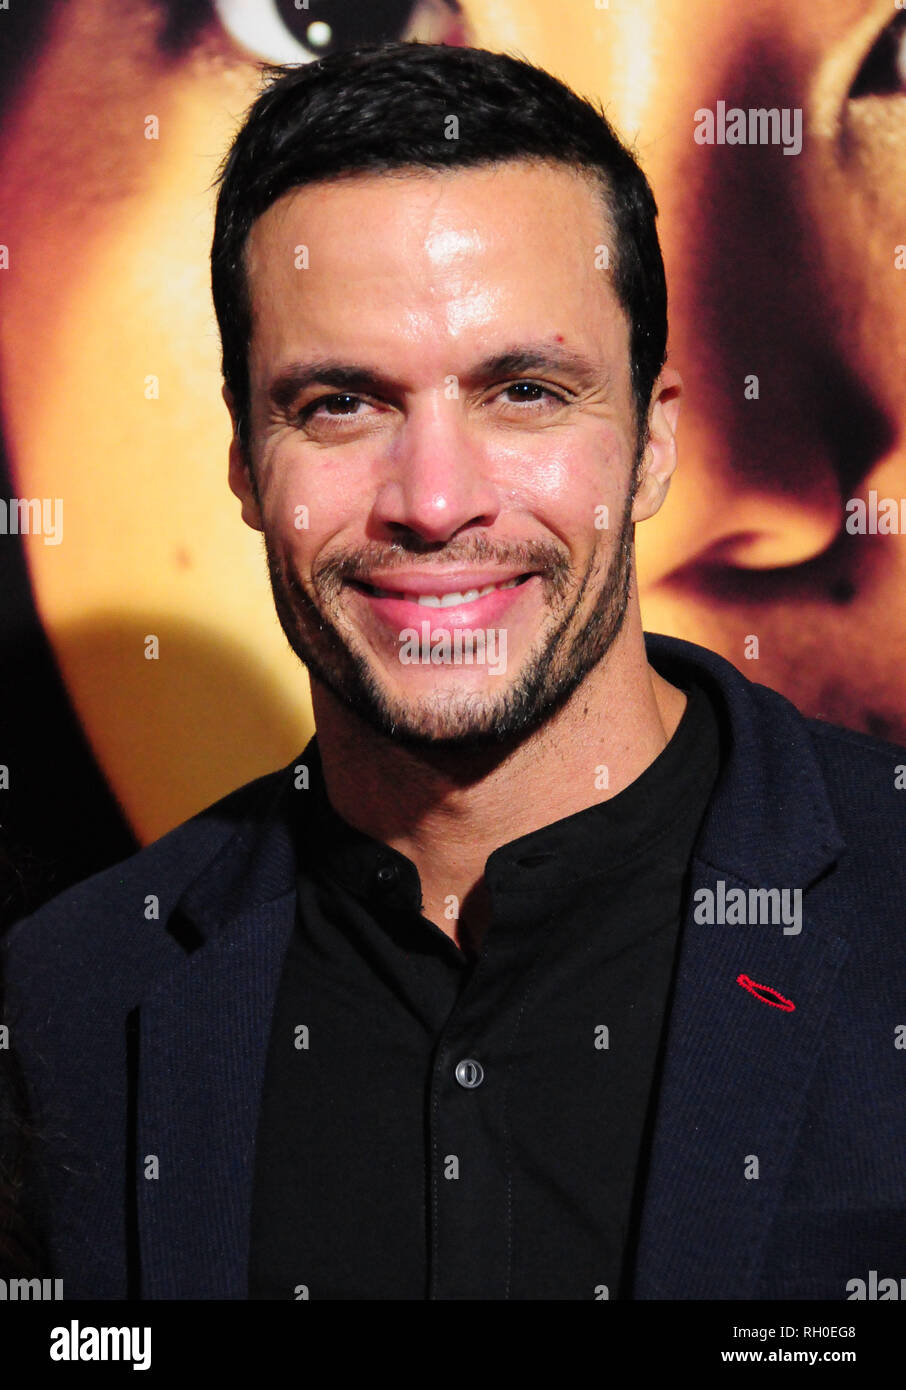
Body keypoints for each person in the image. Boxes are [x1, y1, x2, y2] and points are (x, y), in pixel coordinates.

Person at [4, 41, 905, 1302]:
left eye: (525, 392)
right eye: (339, 405)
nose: (434, 503)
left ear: (653, 443)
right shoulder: (74, 995)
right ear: (247, 466)